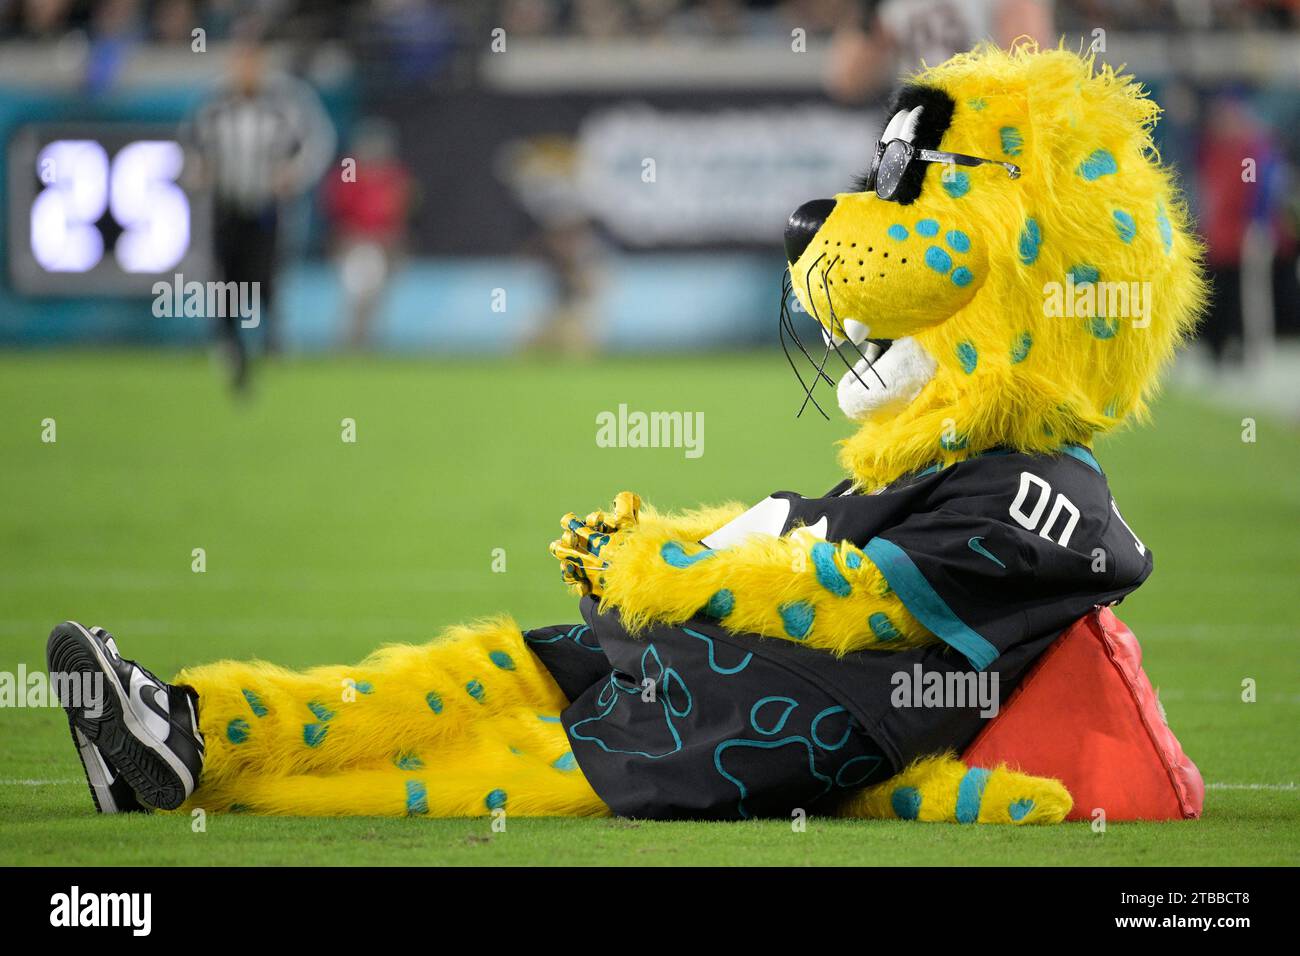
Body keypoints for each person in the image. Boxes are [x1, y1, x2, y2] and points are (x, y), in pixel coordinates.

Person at [187, 34, 334, 388]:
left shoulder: (282, 109)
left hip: (266, 207)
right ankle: (229, 345)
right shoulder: (214, 109)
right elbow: (191, 151)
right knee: (225, 278)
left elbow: (312, 147)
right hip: (227, 206)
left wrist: (292, 176)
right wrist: (197, 170)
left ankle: (271, 339)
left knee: (265, 274)